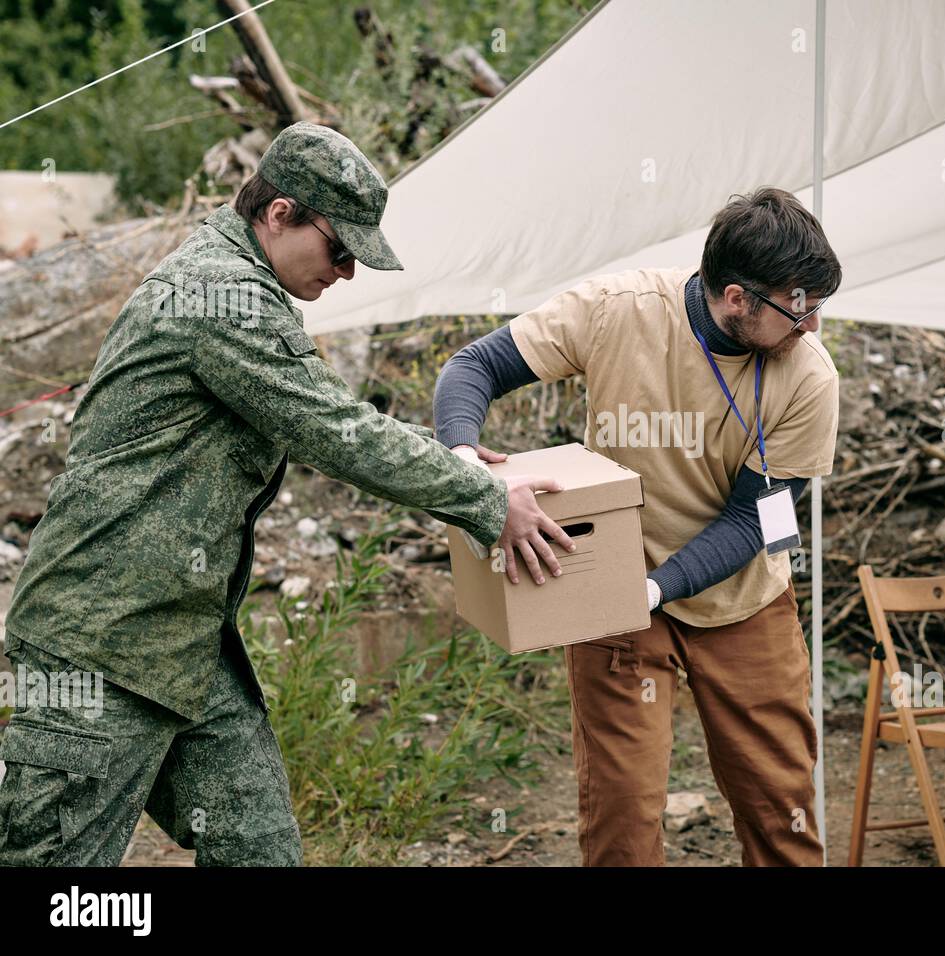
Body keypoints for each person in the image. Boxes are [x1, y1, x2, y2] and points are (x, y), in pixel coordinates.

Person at [0, 122, 570, 866]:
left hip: (184, 645)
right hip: (99, 644)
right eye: (339, 249)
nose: (347, 273)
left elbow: (334, 417)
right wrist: (487, 501)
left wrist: (461, 468)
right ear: (279, 213)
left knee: (259, 853)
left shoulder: (243, 286)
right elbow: (334, 431)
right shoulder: (219, 294)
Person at [434, 186, 840, 865]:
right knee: (621, 816)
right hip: (614, 599)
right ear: (736, 297)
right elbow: (473, 367)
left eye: (820, 307)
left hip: (743, 600)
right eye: (798, 310)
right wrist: (467, 464)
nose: (813, 327)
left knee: (780, 807)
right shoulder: (615, 312)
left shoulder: (808, 379)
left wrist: (653, 590)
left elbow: (756, 520)